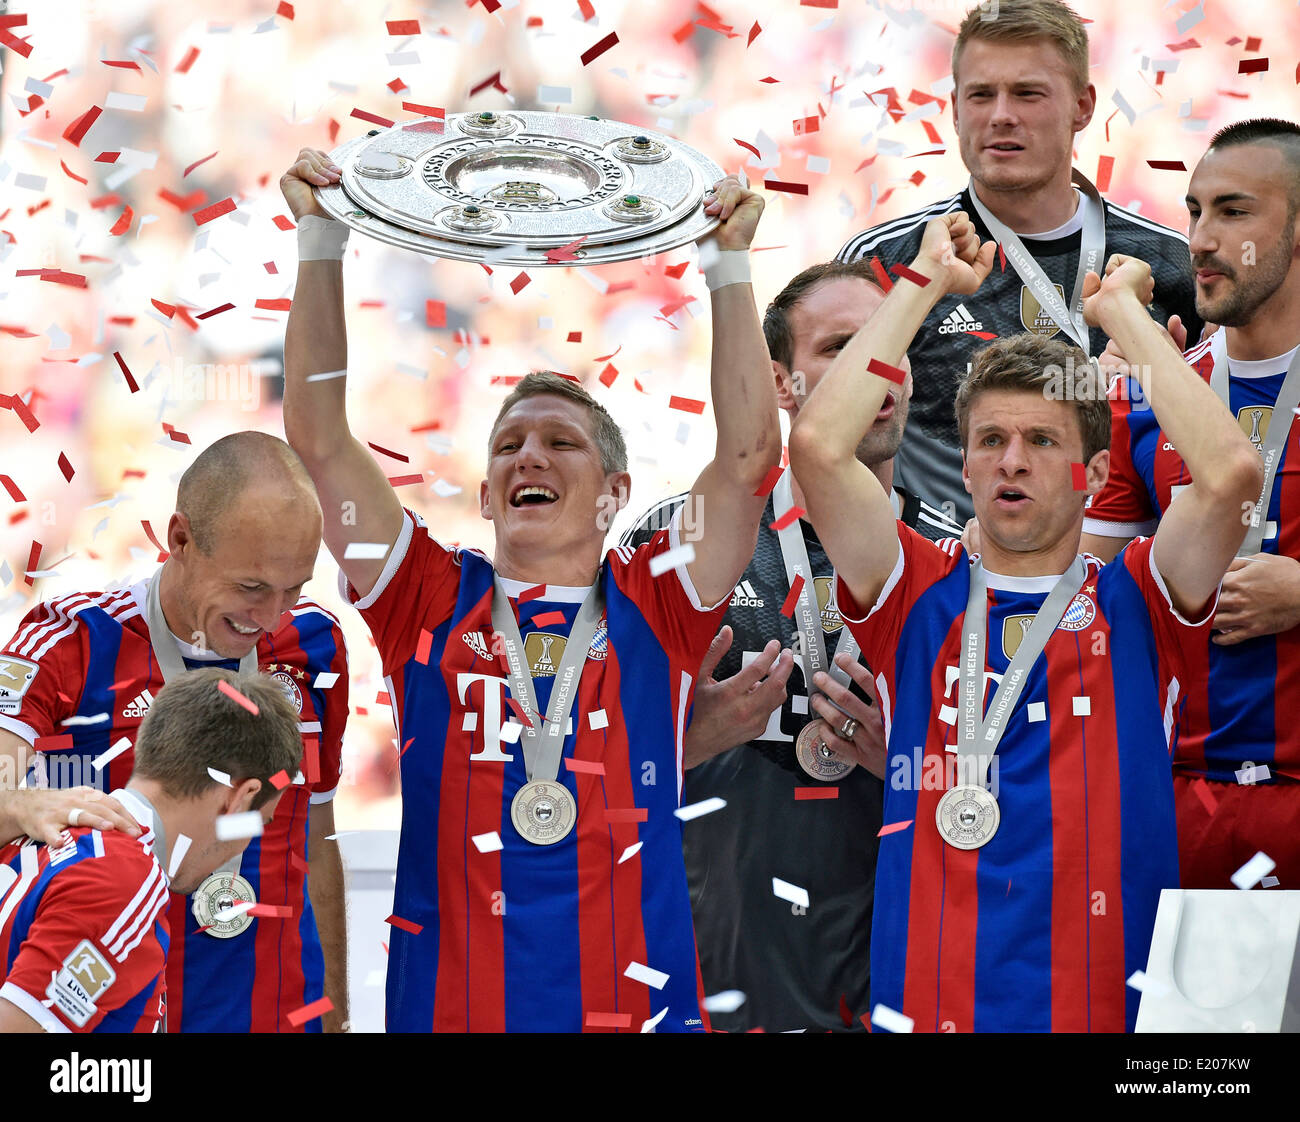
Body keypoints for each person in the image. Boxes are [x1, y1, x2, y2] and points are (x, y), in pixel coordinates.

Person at [279, 150, 780, 1031]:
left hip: (639, 1012)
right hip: (455, 1012)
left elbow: (745, 465)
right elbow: (318, 437)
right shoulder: (426, 599)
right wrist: (321, 238)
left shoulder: (658, 596)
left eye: (561, 443)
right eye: (508, 446)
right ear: (484, 495)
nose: (530, 458)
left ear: (617, 495)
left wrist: (728, 265)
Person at [789, 209, 1261, 1031]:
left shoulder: (1141, 598)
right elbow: (820, 448)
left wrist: (1124, 321)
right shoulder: (912, 590)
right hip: (930, 999)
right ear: (964, 465)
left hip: (1103, 1006)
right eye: (992, 440)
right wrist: (924, 284)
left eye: (1043, 439)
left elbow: (1227, 473)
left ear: (1097, 472)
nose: (1012, 459)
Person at [621, 260, 961, 1033]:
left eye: (889, 344)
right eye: (841, 348)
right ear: (781, 385)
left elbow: (1016, 789)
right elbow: (588, 753)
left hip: (900, 983)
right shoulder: (684, 542)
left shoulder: (957, 558)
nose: (874, 369)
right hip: (714, 980)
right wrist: (683, 738)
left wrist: (913, 761)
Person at [0, 432, 350, 1033]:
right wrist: (26, 802)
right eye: (251, 587)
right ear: (180, 539)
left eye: (293, 589)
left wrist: (337, 1017)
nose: (271, 618)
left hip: (275, 1013)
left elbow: (315, 836)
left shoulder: (315, 645)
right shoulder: (70, 641)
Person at [836, 0, 1199, 524]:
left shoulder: (1173, 264)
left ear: (1082, 105)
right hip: (945, 595)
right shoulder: (885, 263)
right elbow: (825, 449)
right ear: (956, 108)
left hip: (1123, 592)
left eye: (1027, 93)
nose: (1001, 114)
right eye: (981, 94)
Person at [1081, 118, 1300, 889]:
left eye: (1234, 212)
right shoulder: (1145, 399)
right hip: (1176, 810)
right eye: (1195, 211)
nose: (1201, 239)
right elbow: (1083, 602)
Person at [0, 668, 303, 1032]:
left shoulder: (36, 829)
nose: (248, 839)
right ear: (241, 797)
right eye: (262, 821)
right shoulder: (126, 879)